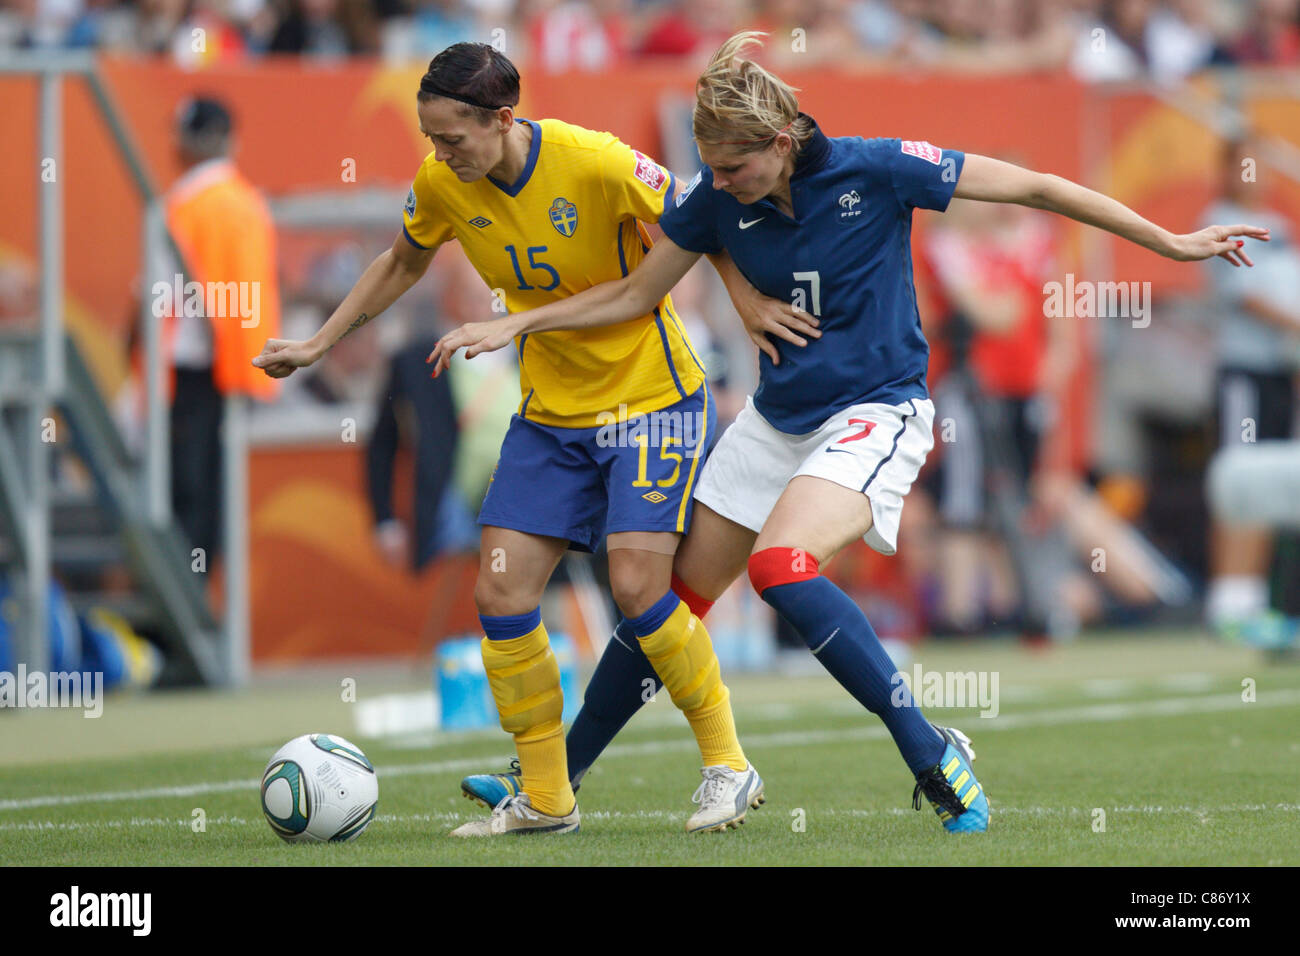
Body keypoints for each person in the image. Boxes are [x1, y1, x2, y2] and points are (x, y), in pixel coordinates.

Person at [434, 30, 1268, 833]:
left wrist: (1169, 241)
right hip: (778, 417)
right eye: (712, 170)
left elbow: (1039, 187)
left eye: (736, 166)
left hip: (879, 410)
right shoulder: (716, 198)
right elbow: (633, 293)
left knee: (781, 569)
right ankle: (553, 780)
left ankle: (929, 748)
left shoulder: (878, 167)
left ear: (787, 138)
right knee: (664, 602)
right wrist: (518, 325)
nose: (721, 185)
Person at [252, 42, 802, 837]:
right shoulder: (445, 183)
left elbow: (701, 218)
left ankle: (727, 764)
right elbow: (401, 261)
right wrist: (319, 343)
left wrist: (746, 305)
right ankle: (547, 798)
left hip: (650, 399)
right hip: (552, 415)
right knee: (501, 593)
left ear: (504, 119)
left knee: (641, 589)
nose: (440, 156)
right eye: (431, 139)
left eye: (453, 138)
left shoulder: (595, 162)